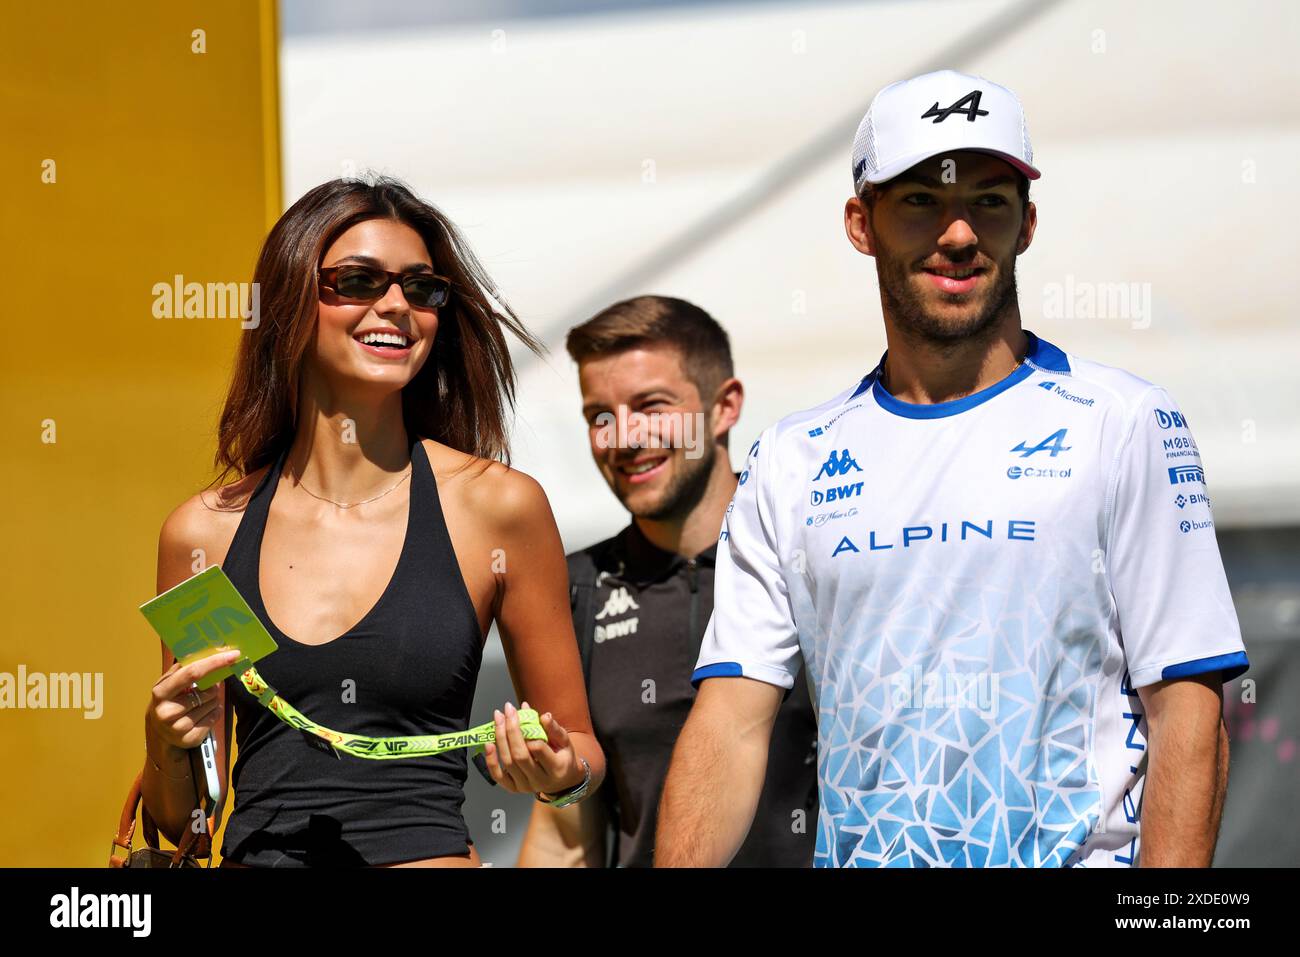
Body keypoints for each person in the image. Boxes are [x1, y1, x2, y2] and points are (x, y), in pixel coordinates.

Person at [656, 70, 1248, 868]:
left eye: (989, 201)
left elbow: (1189, 714)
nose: (960, 232)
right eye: (922, 202)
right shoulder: (791, 458)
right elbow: (730, 722)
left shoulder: (1126, 422)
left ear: (1028, 224)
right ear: (861, 224)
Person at [142, 176, 604, 867]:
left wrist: (558, 771)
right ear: (293, 297)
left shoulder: (498, 507)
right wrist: (166, 741)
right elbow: (185, 815)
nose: (396, 305)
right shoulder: (204, 533)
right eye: (359, 280)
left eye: (422, 288)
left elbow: (583, 752)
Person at [517, 296, 817, 867]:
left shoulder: (813, 563)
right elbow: (565, 834)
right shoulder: (573, 589)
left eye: (651, 406)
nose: (623, 437)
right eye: (598, 416)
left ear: (725, 406)